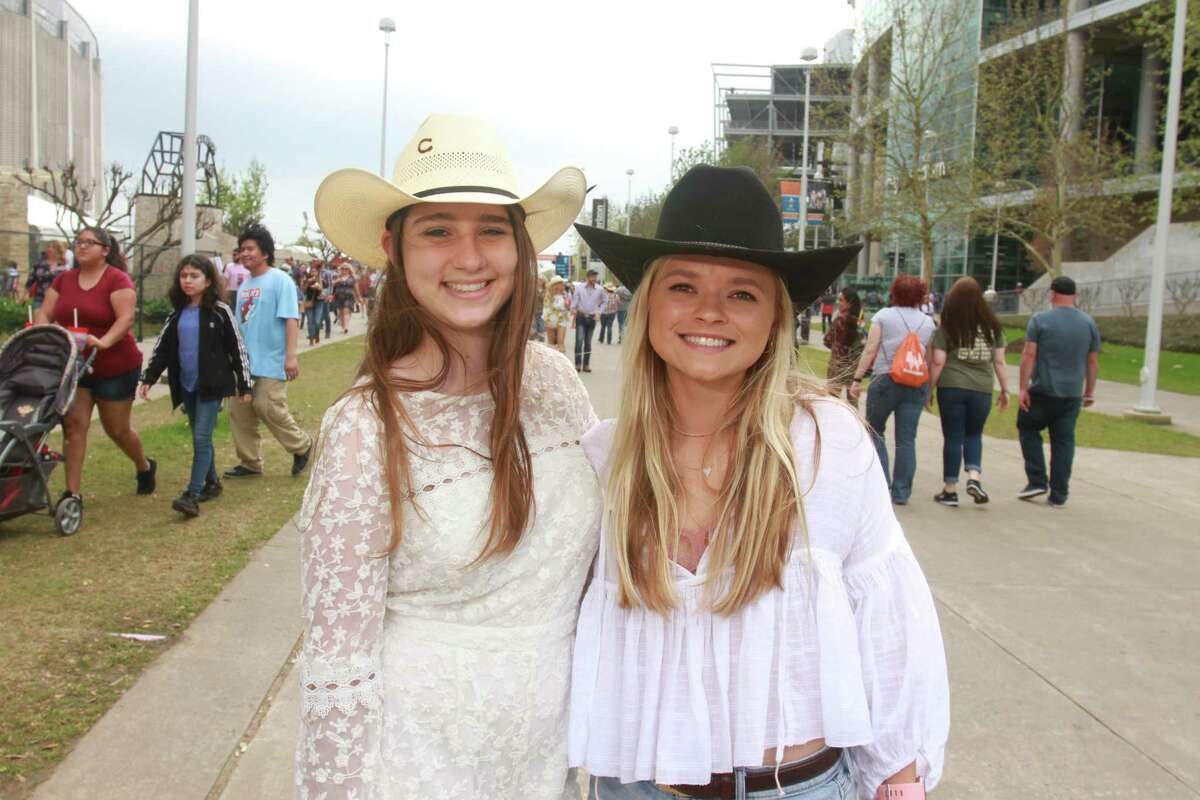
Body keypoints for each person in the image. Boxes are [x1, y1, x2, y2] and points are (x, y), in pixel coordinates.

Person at [573, 165, 948, 800]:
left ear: (775, 315)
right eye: (683, 286)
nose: (710, 312)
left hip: (788, 788)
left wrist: (901, 777)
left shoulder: (826, 444)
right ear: (647, 304)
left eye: (743, 293)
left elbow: (888, 624)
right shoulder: (607, 456)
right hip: (631, 787)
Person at [299, 113, 599, 798]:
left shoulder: (553, 382)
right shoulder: (364, 428)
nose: (469, 257)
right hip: (414, 765)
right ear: (394, 247)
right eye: (438, 230)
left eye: (491, 229)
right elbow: (335, 668)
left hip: (545, 763)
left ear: (519, 246)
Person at [34, 226, 155, 506]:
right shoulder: (64, 280)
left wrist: (103, 341)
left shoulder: (117, 279)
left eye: (90, 242)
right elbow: (45, 312)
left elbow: (124, 319)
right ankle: (72, 494)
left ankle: (144, 465)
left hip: (114, 365)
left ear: (105, 250)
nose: (82, 246)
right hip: (74, 367)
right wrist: (40, 333)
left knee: (117, 430)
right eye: (79, 242)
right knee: (74, 428)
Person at [139, 255, 252, 517]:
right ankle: (212, 482)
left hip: (212, 386)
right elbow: (162, 350)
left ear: (208, 280)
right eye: (183, 276)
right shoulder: (176, 314)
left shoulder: (221, 312)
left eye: (194, 276)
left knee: (202, 437)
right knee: (199, 437)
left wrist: (245, 385)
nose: (187, 281)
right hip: (186, 385)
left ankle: (192, 493)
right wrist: (149, 378)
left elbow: (238, 349)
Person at [224, 223, 313, 479]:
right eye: (242, 249)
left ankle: (302, 446)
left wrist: (291, 355)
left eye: (250, 248)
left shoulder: (280, 281)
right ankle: (250, 463)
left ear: (265, 253)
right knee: (239, 413)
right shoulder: (244, 286)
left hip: (273, 360)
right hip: (244, 362)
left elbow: (290, 318)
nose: (245, 253)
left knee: (267, 406)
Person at [849, 275, 936, 505]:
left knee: (876, 431)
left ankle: (881, 483)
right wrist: (930, 390)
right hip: (916, 382)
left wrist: (857, 378)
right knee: (906, 438)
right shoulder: (928, 323)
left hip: (886, 379)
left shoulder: (883, 317)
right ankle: (902, 491)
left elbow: (870, 350)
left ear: (893, 293)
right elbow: (929, 358)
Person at [926, 277, 1010, 507]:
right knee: (974, 433)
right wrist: (1005, 390)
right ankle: (974, 477)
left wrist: (929, 389)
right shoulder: (993, 327)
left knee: (953, 437)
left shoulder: (947, 327)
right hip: (982, 388)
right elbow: (1000, 362)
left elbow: (938, 362)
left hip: (952, 386)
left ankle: (950, 489)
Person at [1016, 275, 1099, 507]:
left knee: (1027, 427)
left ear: (1052, 294)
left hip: (1043, 390)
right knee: (1063, 441)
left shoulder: (1040, 320)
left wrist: (1023, 388)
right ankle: (1059, 493)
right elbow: (1092, 361)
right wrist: (1089, 391)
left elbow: (1029, 354)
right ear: (1074, 296)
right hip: (1071, 393)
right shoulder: (1088, 323)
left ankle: (1036, 479)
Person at [824, 285, 862, 407]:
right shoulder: (859, 321)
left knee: (832, 400)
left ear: (849, 303)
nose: (838, 302)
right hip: (853, 365)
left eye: (841, 300)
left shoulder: (840, 320)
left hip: (837, 364)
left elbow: (827, 341)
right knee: (853, 402)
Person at [572, 268, 605, 371]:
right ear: (587, 277)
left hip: (592, 317)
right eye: (592, 276)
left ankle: (586, 365)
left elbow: (605, 301)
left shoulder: (600, 289)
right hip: (581, 316)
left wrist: (599, 312)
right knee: (579, 340)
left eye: (595, 276)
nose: (594, 278)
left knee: (588, 342)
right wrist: (573, 308)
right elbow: (575, 300)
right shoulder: (579, 287)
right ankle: (577, 364)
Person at [544, 274, 570, 353]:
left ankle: (561, 359)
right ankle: (551, 360)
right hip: (551, 319)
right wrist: (547, 321)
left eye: (561, 283)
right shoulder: (548, 295)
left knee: (560, 342)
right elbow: (545, 308)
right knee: (551, 343)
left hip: (562, 320)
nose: (561, 285)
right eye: (559, 283)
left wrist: (567, 303)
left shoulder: (565, 294)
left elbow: (568, 307)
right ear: (554, 285)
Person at [301, 264, 326, 345]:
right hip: (309, 302)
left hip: (319, 302)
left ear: (318, 272)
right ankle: (311, 338)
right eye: (312, 271)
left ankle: (317, 334)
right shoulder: (307, 280)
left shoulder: (322, 280)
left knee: (317, 322)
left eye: (315, 271)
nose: (313, 273)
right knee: (310, 321)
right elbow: (303, 290)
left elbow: (324, 290)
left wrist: (318, 287)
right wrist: (308, 283)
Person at [332, 262, 358, 334]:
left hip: (348, 296)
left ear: (349, 269)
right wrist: (336, 281)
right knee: (340, 313)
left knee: (346, 311)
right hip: (339, 296)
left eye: (345, 269)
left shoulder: (352, 277)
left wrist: (359, 297)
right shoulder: (337, 276)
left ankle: (346, 327)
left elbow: (356, 288)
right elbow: (331, 284)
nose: (344, 270)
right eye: (342, 269)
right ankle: (343, 327)